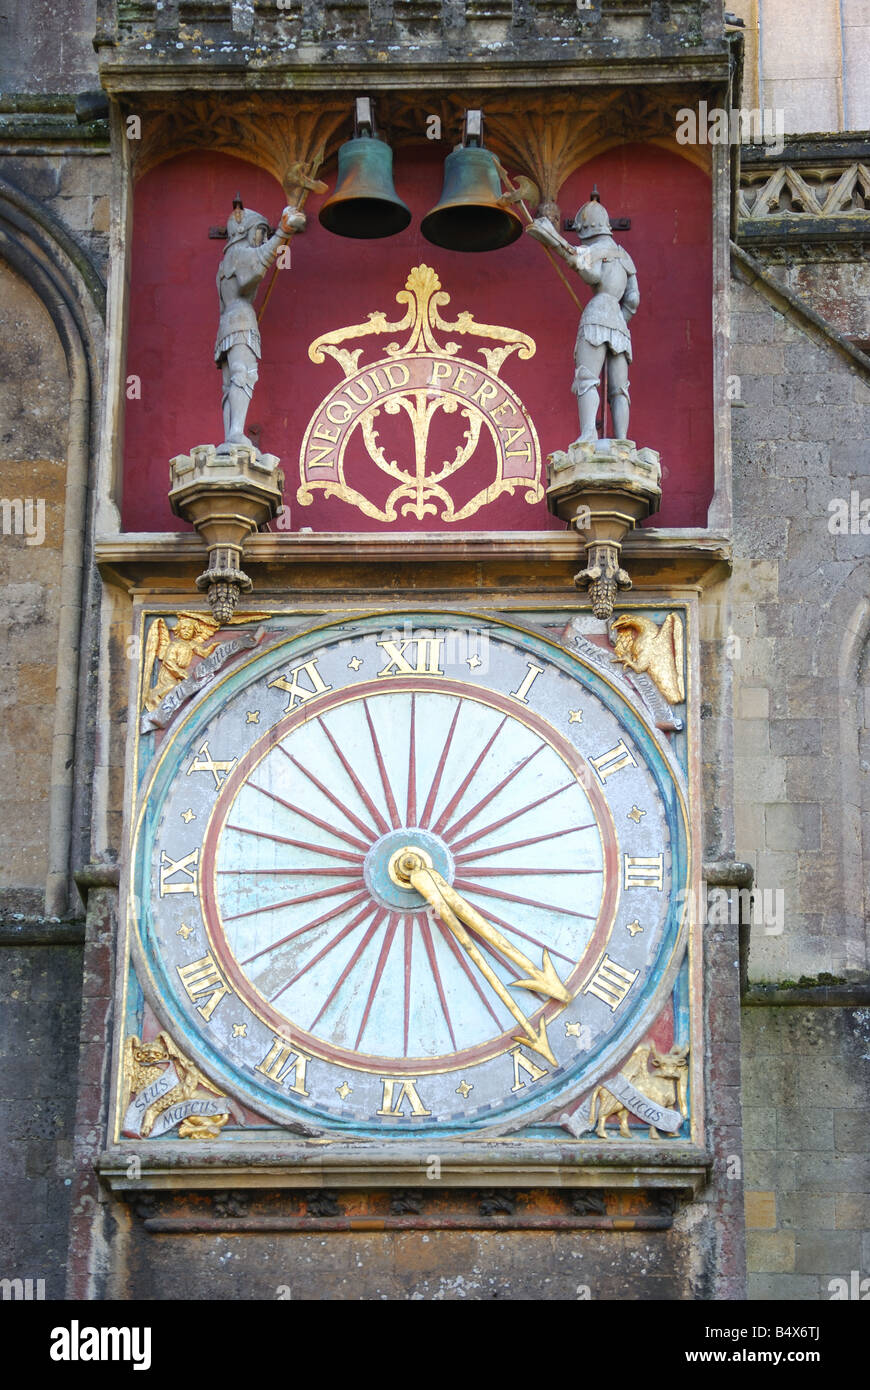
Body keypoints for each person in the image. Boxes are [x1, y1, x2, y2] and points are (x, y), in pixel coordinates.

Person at [528, 197, 639, 442]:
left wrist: (557, 244)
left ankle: (589, 433)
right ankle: (622, 440)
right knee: (620, 389)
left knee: (587, 378)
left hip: (597, 313)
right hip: (619, 324)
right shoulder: (624, 257)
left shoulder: (597, 249)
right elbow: (633, 300)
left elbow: (591, 274)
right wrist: (618, 319)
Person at [215, 197, 306, 447]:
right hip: (241, 319)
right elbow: (257, 264)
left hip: (230, 320)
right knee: (244, 374)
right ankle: (234, 433)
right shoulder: (237, 254)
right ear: (244, 231)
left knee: (233, 378)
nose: (263, 239)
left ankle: (231, 433)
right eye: (260, 232)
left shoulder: (228, 261)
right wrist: (283, 231)